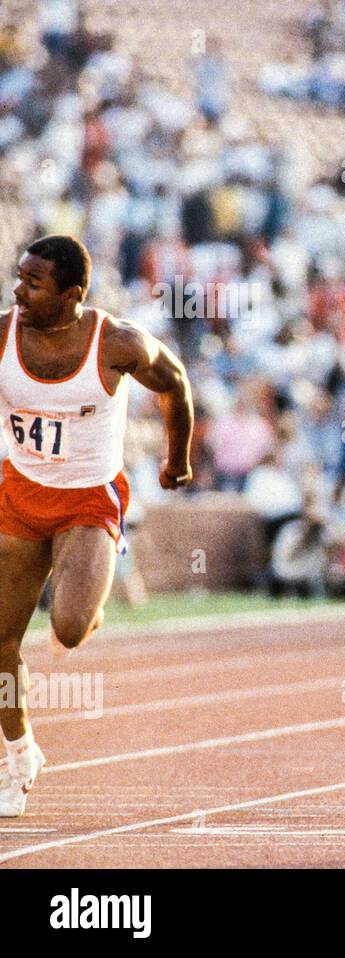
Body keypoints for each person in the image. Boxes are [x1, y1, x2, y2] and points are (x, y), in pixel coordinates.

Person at [0, 235, 193, 816]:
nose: (19, 289)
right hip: (20, 494)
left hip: (87, 501)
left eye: (34, 283)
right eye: (19, 277)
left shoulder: (118, 343)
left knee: (71, 627)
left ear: (72, 294)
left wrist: (177, 458)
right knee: (0, 640)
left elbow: (176, 383)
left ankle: (90, 590)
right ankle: (18, 756)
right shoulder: (3, 333)